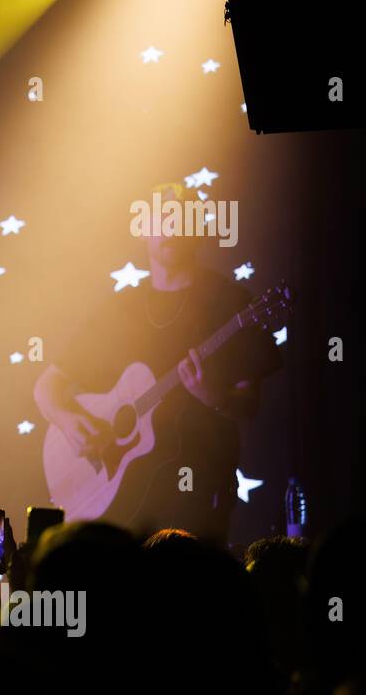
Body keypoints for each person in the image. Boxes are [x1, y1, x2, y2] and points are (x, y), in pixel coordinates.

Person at [33, 181, 282, 544]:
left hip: (195, 506)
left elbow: (249, 404)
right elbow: (46, 386)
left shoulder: (233, 305)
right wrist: (69, 421)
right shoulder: (120, 308)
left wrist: (213, 397)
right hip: (118, 514)